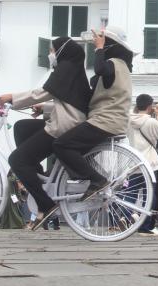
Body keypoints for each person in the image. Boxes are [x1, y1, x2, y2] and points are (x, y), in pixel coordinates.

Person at [0, 36, 92, 230]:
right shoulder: (73, 68)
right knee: (22, 127)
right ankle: (38, 175)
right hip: (66, 119)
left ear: (61, 50)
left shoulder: (66, 67)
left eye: (52, 50)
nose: (50, 54)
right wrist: (45, 109)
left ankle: (45, 204)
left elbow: (42, 92)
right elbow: (68, 102)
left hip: (64, 126)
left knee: (16, 161)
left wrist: (12, 98)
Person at [51, 26, 135, 222]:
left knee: (60, 145)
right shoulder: (122, 68)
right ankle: (91, 178)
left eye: (103, 41)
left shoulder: (113, 63)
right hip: (109, 121)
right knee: (78, 154)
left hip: (104, 121)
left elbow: (99, 68)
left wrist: (99, 48)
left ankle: (97, 180)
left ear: (109, 44)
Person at [129, 94, 158, 236]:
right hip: (149, 163)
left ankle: (123, 216)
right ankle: (146, 227)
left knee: (130, 194)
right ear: (149, 106)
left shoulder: (130, 119)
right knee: (150, 196)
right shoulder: (150, 121)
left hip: (133, 161)